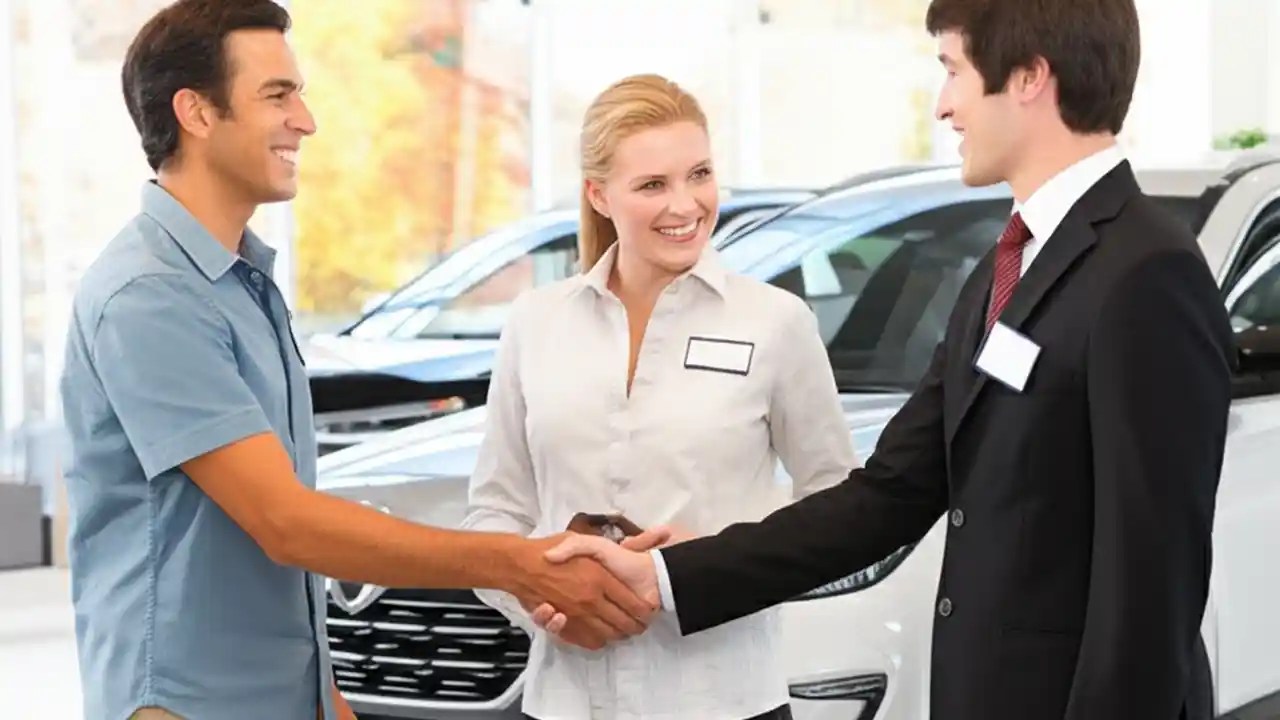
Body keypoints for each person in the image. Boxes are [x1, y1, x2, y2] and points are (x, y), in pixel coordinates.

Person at [543, 1, 1235, 719]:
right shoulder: (1012, 265)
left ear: (1030, 77)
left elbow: (1152, 587)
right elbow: (888, 494)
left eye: (953, 71)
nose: (943, 107)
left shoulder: (1147, 272)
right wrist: (666, 574)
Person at [57, 3, 653, 720]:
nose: (305, 120)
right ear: (196, 112)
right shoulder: (151, 295)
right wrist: (517, 562)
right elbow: (286, 523)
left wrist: (322, 688)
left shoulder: (238, 281)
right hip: (187, 701)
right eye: (278, 94)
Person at [459, 73, 857, 720]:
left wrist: (704, 573)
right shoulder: (535, 322)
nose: (686, 205)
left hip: (726, 701)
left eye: (699, 174)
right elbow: (493, 515)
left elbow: (838, 518)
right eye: (653, 185)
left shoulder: (775, 324)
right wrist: (547, 604)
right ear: (598, 194)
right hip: (564, 702)